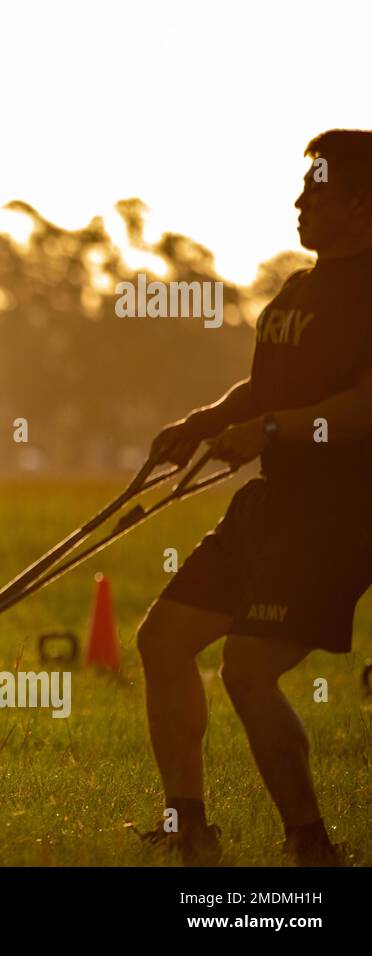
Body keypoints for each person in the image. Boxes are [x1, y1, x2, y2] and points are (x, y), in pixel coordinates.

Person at [138, 129, 372, 865]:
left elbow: (365, 405)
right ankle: (189, 829)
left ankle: (309, 842)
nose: (300, 201)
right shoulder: (299, 287)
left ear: (361, 203)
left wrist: (269, 429)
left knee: (247, 666)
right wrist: (207, 421)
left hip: (338, 514)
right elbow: (265, 388)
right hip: (271, 505)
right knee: (162, 640)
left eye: (318, 190)